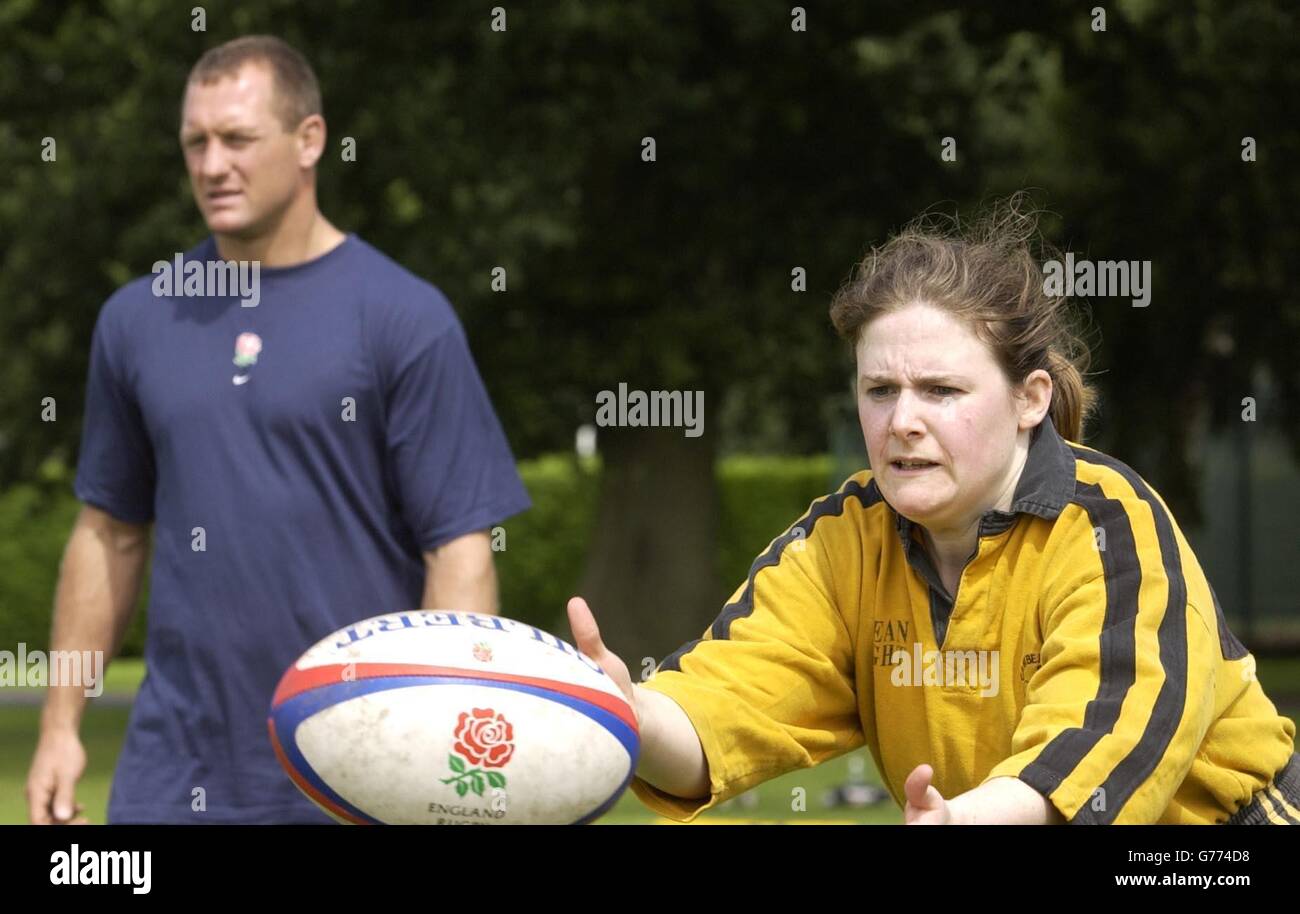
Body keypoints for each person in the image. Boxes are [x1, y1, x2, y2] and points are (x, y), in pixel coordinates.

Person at [568, 197, 1298, 825]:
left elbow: (1098, 740)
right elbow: (724, 705)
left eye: (941, 391)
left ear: (1030, 399)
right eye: (880, 390)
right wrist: (625, 712)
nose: (902, 421)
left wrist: (971, 815)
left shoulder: (1110, 527)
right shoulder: (842, 543)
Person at [27, 35, 530, 825]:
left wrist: (438, 748)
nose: (212, 164)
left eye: (237, 138)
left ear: (309, 141)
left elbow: (458, 551)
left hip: (356, 776)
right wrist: (59, 726)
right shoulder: (136, 320)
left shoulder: (403, 318)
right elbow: (108, 534)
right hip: (171, 780)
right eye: (196, 141)